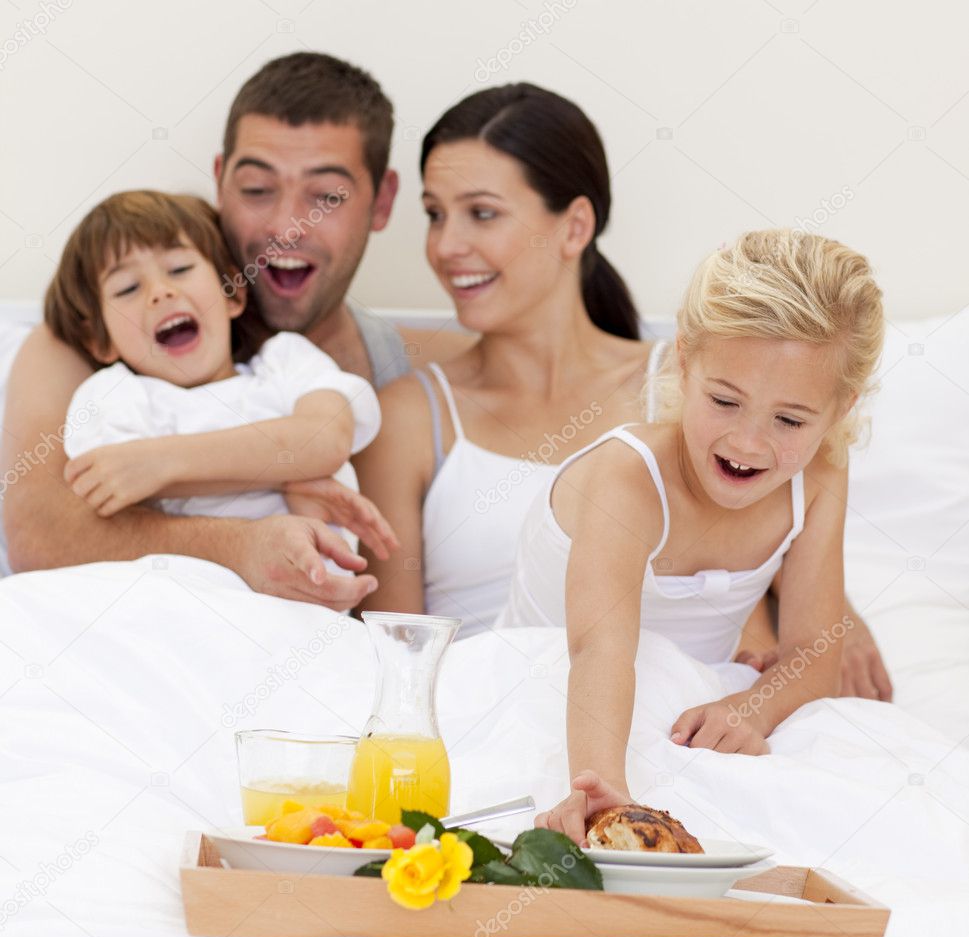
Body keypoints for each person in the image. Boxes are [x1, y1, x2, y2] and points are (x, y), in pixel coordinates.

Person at [0, 51, 462, 607]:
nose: (288, 228)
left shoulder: (385, 363)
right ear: (220, 182)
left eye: (327, 196)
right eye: (257, 189)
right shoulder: (88, 349)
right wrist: (245, 543)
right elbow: (44, 535)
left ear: (383, 201)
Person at [500, 229, 885, 844]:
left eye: (789, 419)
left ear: (840, 409)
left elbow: (815, 650)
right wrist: (600, 788)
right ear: (684, 360)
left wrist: (752, 707)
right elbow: (600, 651)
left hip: (690, 709)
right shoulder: (630, 477)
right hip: (563, 702)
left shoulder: (819, 477)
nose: (748, 442)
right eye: (725, 401)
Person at [355, 83, 656, 638]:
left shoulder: (681, 390)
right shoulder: (407, 419)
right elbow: (399, 663)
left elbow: (740, 617)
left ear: (574, 227)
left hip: (667, 715)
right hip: (476, 717)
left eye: (482, 213)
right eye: (435, 214)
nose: (445, 246)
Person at [47, 190, 384, 589]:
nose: (160, 292)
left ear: (234, 292)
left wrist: (161, 462)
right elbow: (113, 482)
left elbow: (324, 439)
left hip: (300, 612)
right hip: (171, 608)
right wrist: (286, 473)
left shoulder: (286, 362)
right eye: (127, 289)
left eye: (178, 268)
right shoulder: (116, 394)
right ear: (99, 342)